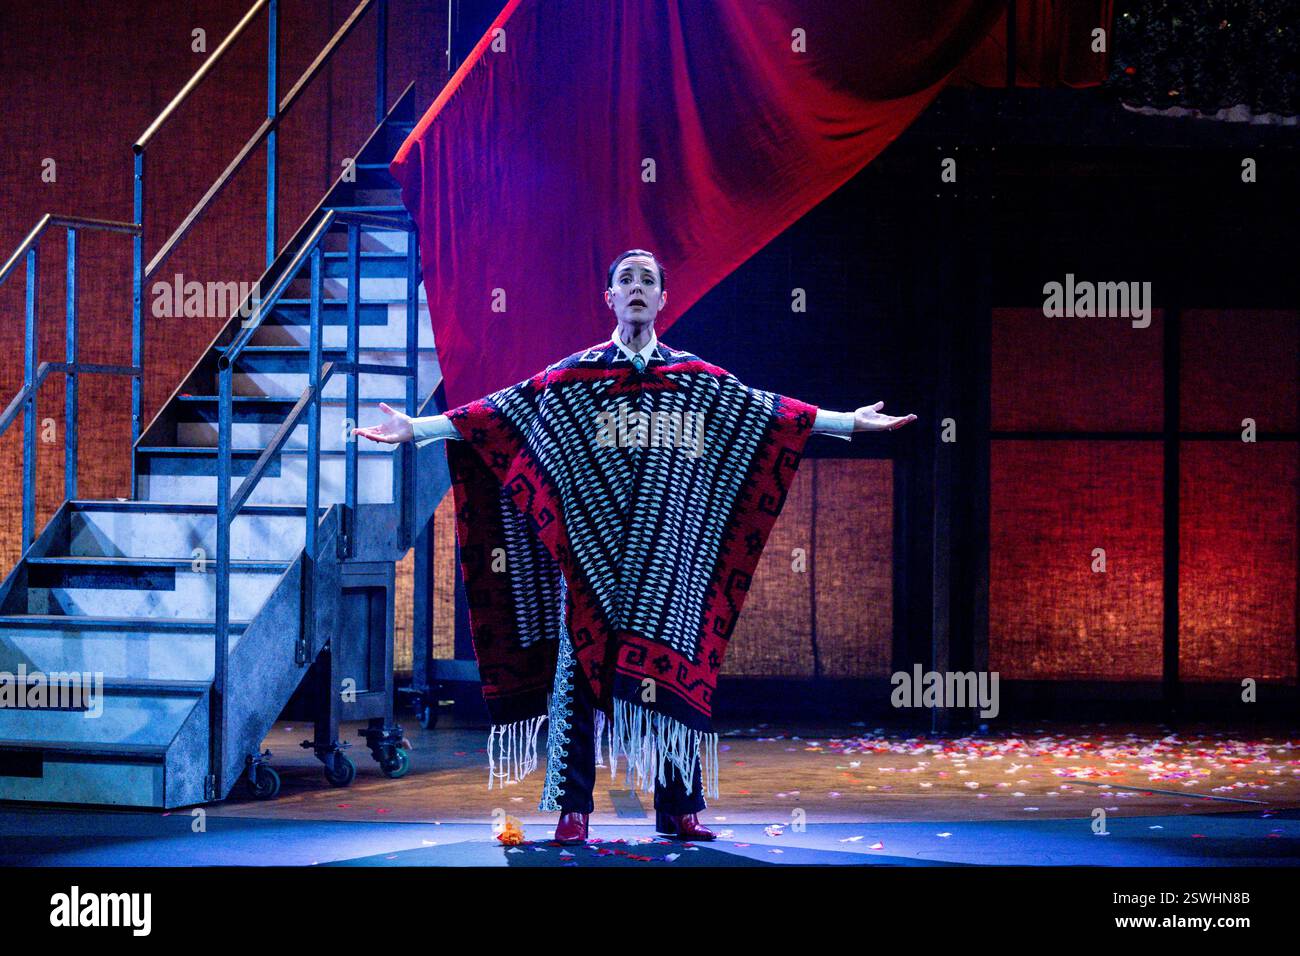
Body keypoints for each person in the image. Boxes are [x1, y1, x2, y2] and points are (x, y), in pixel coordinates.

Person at [354, 249, 917, 843]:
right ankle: (573, 812)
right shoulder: (574, 378)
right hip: (591, 563)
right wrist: (416, 429)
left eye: (649, 279)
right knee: (577, 681)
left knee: (670, 676)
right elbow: (495, 415)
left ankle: (679, 808)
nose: (638, 287)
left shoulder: (695, 381)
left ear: (663, 298)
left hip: (665, 567)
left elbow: (772, 413)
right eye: (627, 279)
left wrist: (848, 423)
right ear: (610, 297)